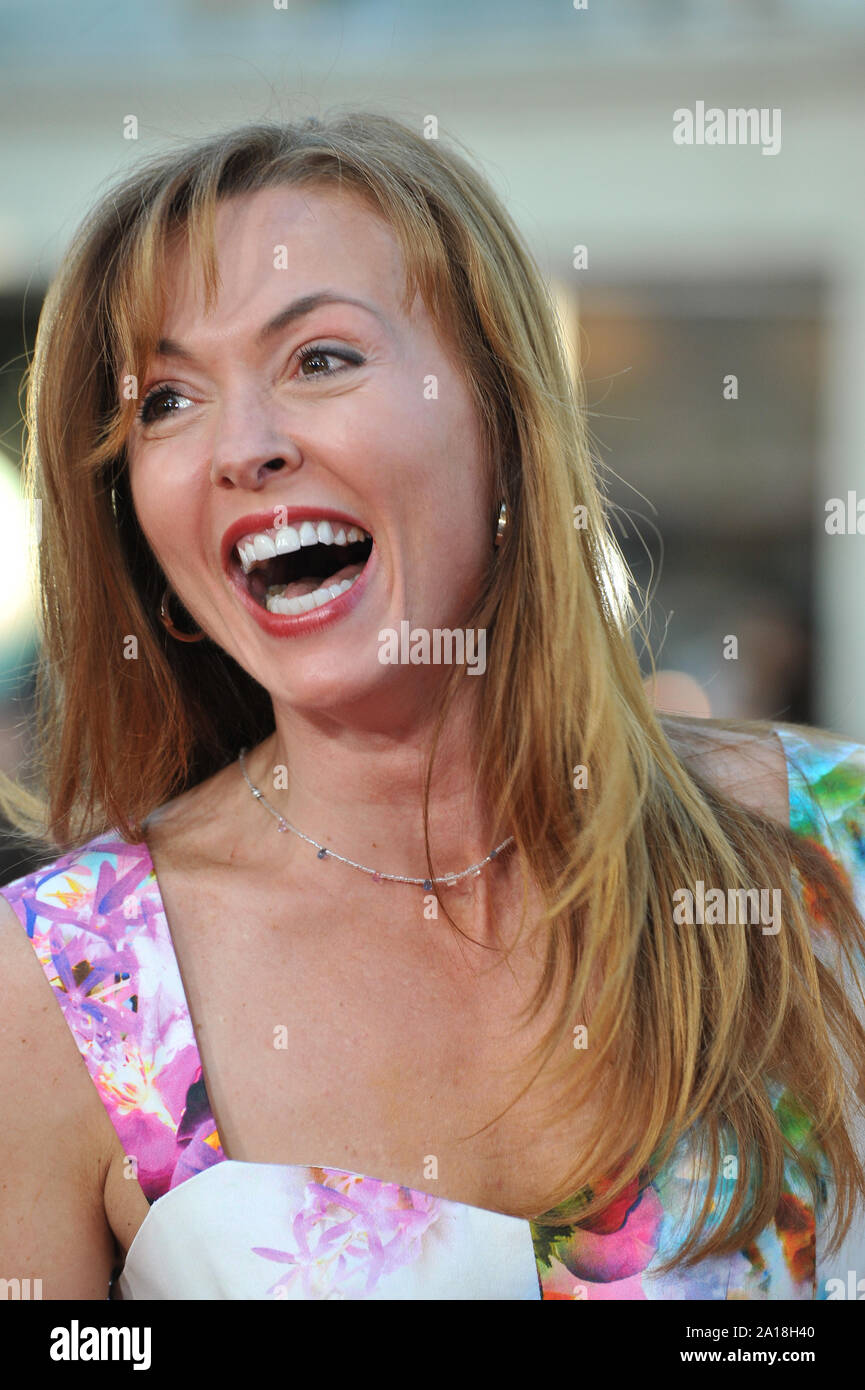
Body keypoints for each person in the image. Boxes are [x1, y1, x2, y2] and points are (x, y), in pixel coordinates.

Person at [0, 112, 864, 1302]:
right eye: (164, 400)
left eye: (319, 358)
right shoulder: (54, 988)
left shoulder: (835, 858)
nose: (241, 447)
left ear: (503, 424)